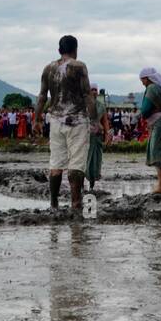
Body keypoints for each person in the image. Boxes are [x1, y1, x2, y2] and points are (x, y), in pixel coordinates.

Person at [33, 35, 95, 211]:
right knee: (76, 164)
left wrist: (37, 119)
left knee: (56, 164)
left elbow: (42, 96)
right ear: (75, 49)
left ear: (59, 50)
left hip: (56, 120)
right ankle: (76, 204)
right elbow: (86, 95)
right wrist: (95, 120)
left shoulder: (49, 68)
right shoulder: (79, 67)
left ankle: (54, 204)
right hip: (77, 120)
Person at [138, 67, 161, 195]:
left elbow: (145, 110)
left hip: (158, 123)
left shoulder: (152, 88)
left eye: (143, 80)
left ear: (148, 78)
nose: (142, 82)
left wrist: (143, 114)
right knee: (160, 153)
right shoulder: (159, 88)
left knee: (158, 154)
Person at [86, 85, 109, 190]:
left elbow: (105, 121)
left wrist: (107, 134)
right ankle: (81, 184)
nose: (94, 92)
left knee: (96, 159)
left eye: (96, 90)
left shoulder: (101, 106)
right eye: (92, 90)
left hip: (98, 135)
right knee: (85, 159)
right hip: (86, 136)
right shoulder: (84, 105)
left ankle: (92, 185)